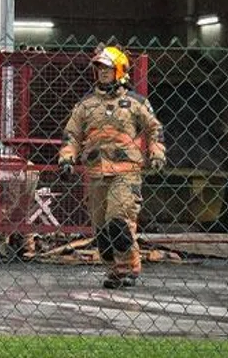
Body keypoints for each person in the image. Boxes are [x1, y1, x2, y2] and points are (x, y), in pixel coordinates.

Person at [57, 46, 166, 289]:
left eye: (107, 68)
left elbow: (154, 129)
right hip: (96, 172)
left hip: (126, 172)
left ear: (120, 70)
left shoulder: (136, 103)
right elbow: (71, 135)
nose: (102, 73)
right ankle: (116, 269)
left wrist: (156, 153)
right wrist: (67, 157)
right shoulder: (86, 105)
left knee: (118, 219)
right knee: (102, 231)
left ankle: (130, 267)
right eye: (99, 68)